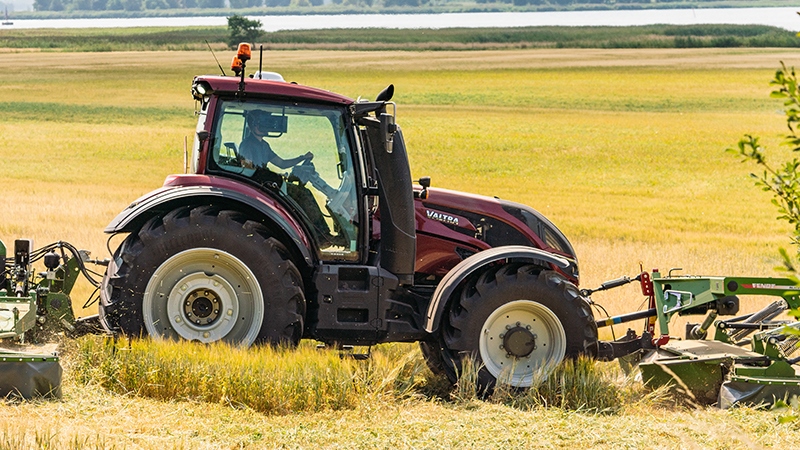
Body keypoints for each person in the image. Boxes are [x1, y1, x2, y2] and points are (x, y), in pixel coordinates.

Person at [238, 110, 337, 244]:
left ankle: (320, 235)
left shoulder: (263, 145)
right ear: (253, 125)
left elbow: (282, 163)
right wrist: (276, 176)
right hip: (262, 186)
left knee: (302, 192)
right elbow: (250, 170)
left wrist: (302, 158)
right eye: (263, 123)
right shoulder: (247, 145)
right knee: (304, 194)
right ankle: (321, 236)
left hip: (268, 182)